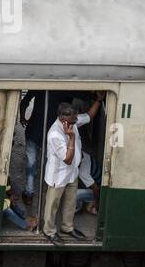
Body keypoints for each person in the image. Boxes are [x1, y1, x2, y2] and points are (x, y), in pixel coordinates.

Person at [41, 95, 102, 243]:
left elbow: (89, 116)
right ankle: (49, 231)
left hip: (72, 174)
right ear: (63, 120)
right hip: (58, 177)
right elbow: (68, 159)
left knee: (70, 202)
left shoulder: (72, 121)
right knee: (52, 205)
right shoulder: (55, 135)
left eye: (76, 119)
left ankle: (67, 227)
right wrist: (72, 138)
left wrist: (99, 100)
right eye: (73, 120)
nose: (76, 122)